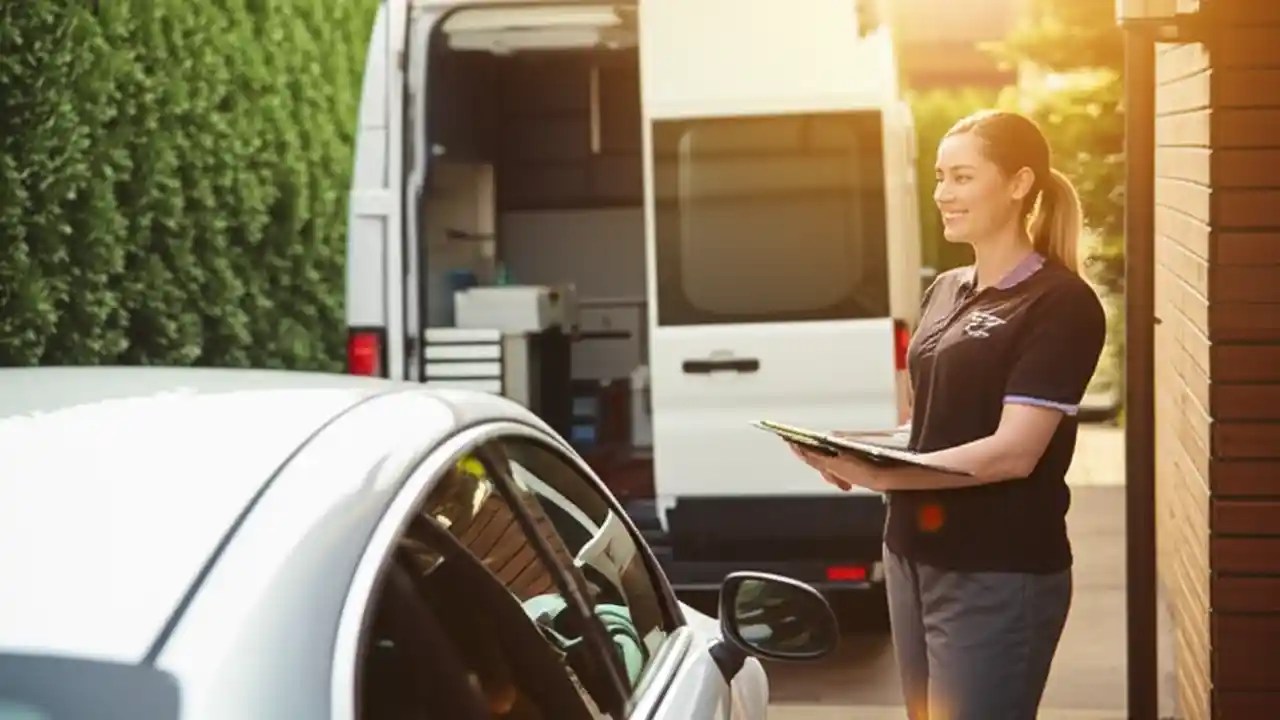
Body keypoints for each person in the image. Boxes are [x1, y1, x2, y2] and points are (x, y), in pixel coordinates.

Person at [787, 109, 1106, 720]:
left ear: (1019, 184)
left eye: (962, 177)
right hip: (910, 554)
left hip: (996, 570)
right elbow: (930, 428)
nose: (942, 194)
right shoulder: (945, 289)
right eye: (939, 177)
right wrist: (850, 448)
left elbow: (1014, 452)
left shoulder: (1061, 304)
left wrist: (884, 476)